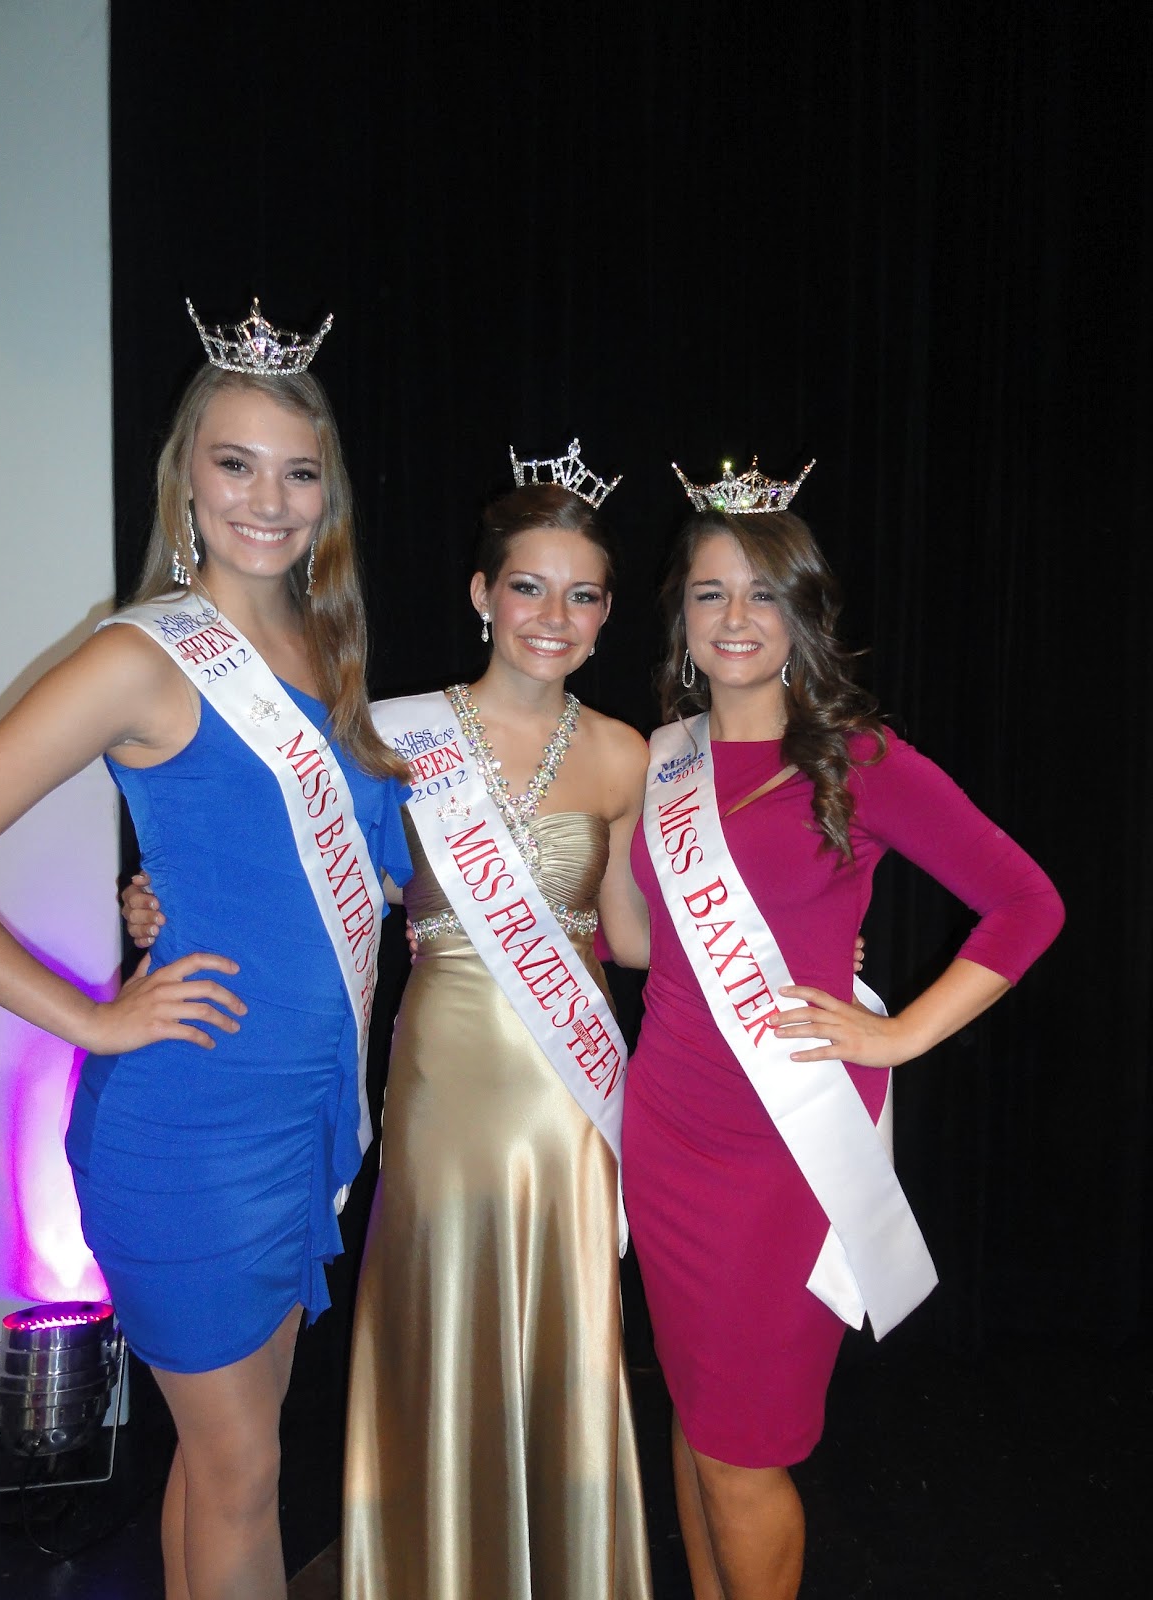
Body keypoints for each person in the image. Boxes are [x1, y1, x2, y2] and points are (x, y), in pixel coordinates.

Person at [124, 445, 656, 1598]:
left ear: (610, 611)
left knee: (562, 1350)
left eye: (582, 593)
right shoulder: (390, 735)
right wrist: (156, 902)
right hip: (437, 1082)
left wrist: (800, 953)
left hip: (569, 1095)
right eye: (527, 586)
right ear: (481, 594)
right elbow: (298, 877)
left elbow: (635, 943)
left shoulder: (628, 755)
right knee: (435, 1334)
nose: (552, 616)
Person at [0, 298, 412, 1600]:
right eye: (235, 463)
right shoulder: (139, 659)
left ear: (327, 496)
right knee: (245, 1478)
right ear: (186, 485)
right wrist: (92, 1017)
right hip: (190, 1131)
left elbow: (301, 861)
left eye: (298, 470)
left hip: (295, 1118)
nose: (268, 499)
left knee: (227, 1463)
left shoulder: (323, 648)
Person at [611, 457, 1065, 1600]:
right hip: (667, 1130)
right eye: (711, 592)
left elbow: (1029, 903)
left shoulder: (859, 759)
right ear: (682, 615)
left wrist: (904, 1032)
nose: (736, 618)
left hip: (785, 1148)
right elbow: (640, 943)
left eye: (765, 593)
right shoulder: (661, 760)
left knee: (745, 1445)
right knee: (694, 1407)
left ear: (805, 613)